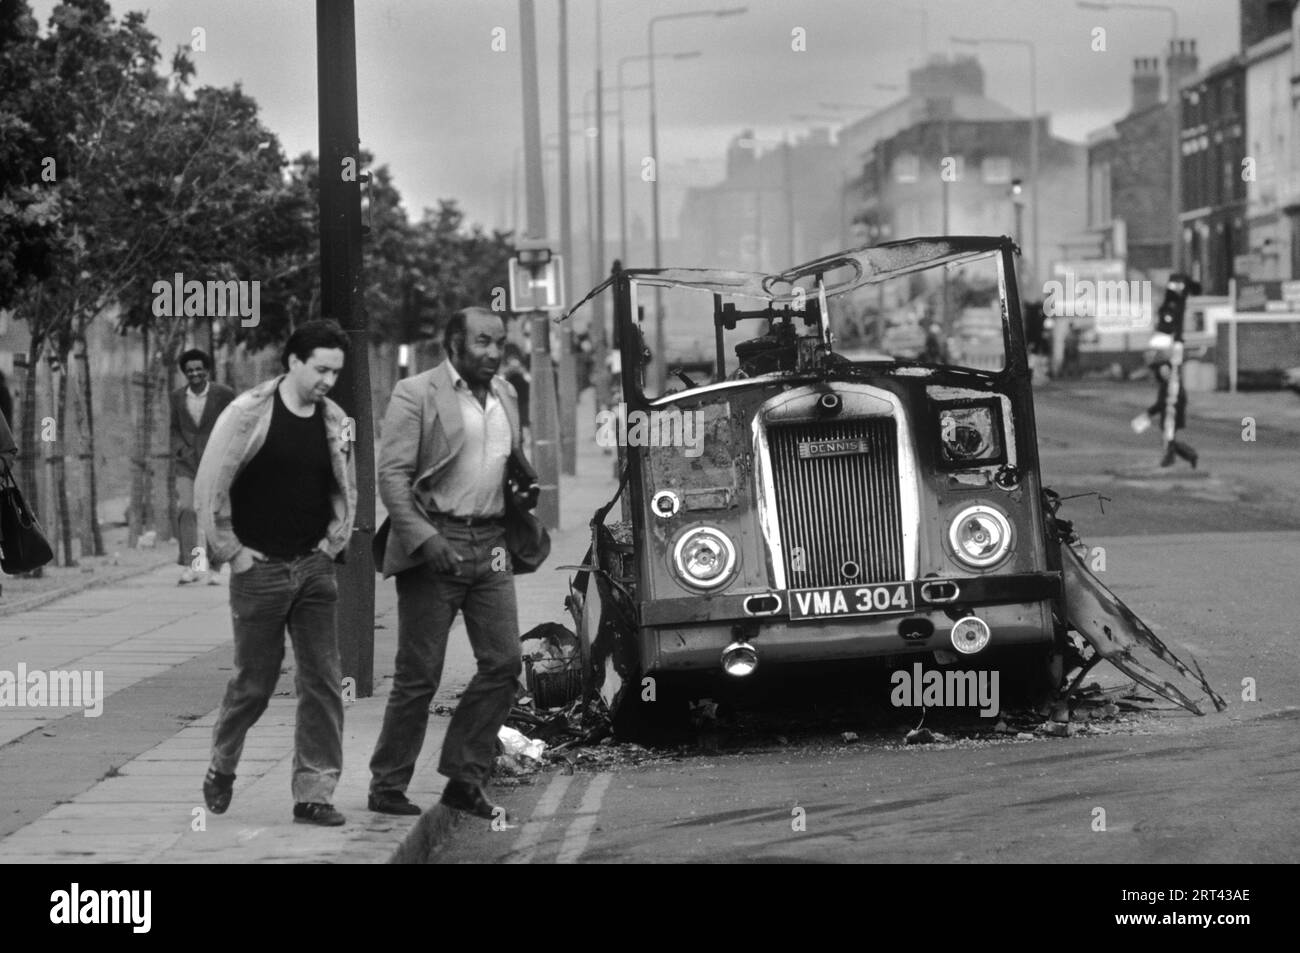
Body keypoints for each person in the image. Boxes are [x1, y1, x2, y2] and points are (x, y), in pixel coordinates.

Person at [195, 320, 357, 826]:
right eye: (321, 369)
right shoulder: (247, 413)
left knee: (323, 682)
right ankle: (222, 764)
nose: (328, 380)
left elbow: (342, 485)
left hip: (313, 566)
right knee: (254, 685)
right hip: (258, 569)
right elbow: (209, 485)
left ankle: (314, 793)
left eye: (336, 371)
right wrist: (231, 551)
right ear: (293, 361)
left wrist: (334, 542)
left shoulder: (334, 418)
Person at [367, 306, 524, 819]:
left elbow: (504, 462)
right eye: (482, 342)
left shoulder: (506, 393)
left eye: (499, 342)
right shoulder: (416, 393)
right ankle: (387, 784)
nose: (494, 352)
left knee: (503, 663)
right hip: (438, 541)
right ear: (453, 345)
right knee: (419, 675)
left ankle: (464, 776)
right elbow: (391, 477)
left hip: (492, 540)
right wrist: (425, 539)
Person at [170, 349, 235, 584]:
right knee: (186, 508)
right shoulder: (177, 397)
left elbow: (235, 423)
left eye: (199, 369)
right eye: (190, 370)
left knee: (214, 512)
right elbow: (173, 428)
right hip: (186, 464)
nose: (195, 373)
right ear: (184, 373)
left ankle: (216, 568)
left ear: (207, 370)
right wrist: (180, 449)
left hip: (215, 463)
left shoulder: (224, 394)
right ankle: (190, 565)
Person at [1142, 335, 1198, 469]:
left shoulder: (1169, 383)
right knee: (1168, 439)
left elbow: (1163, 402)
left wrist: (1149, 413)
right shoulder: (1169, 381)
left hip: (1172, 413)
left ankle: (1184, 456)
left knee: (1168, 439)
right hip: (1172, 412)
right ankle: (1177, 457)